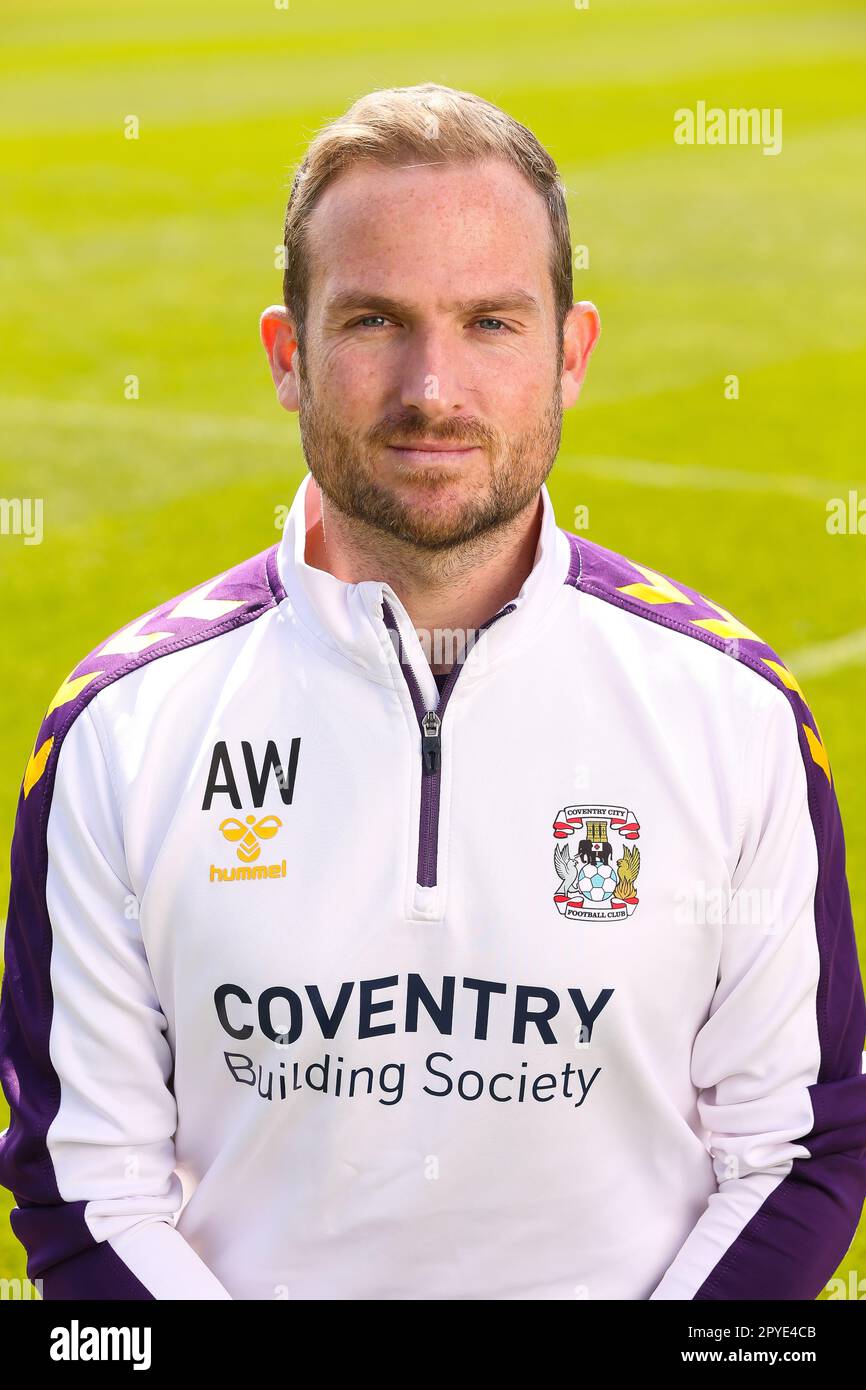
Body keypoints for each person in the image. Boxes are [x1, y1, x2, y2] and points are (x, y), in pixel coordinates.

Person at [1, 82, 864, 1301]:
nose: (432, 389)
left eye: (491, 324)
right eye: (372, 322)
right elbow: (85, 1185)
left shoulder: (732, 714)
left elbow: (795, 1149)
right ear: (286, 357)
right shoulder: (117, 734)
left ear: (570, 355)